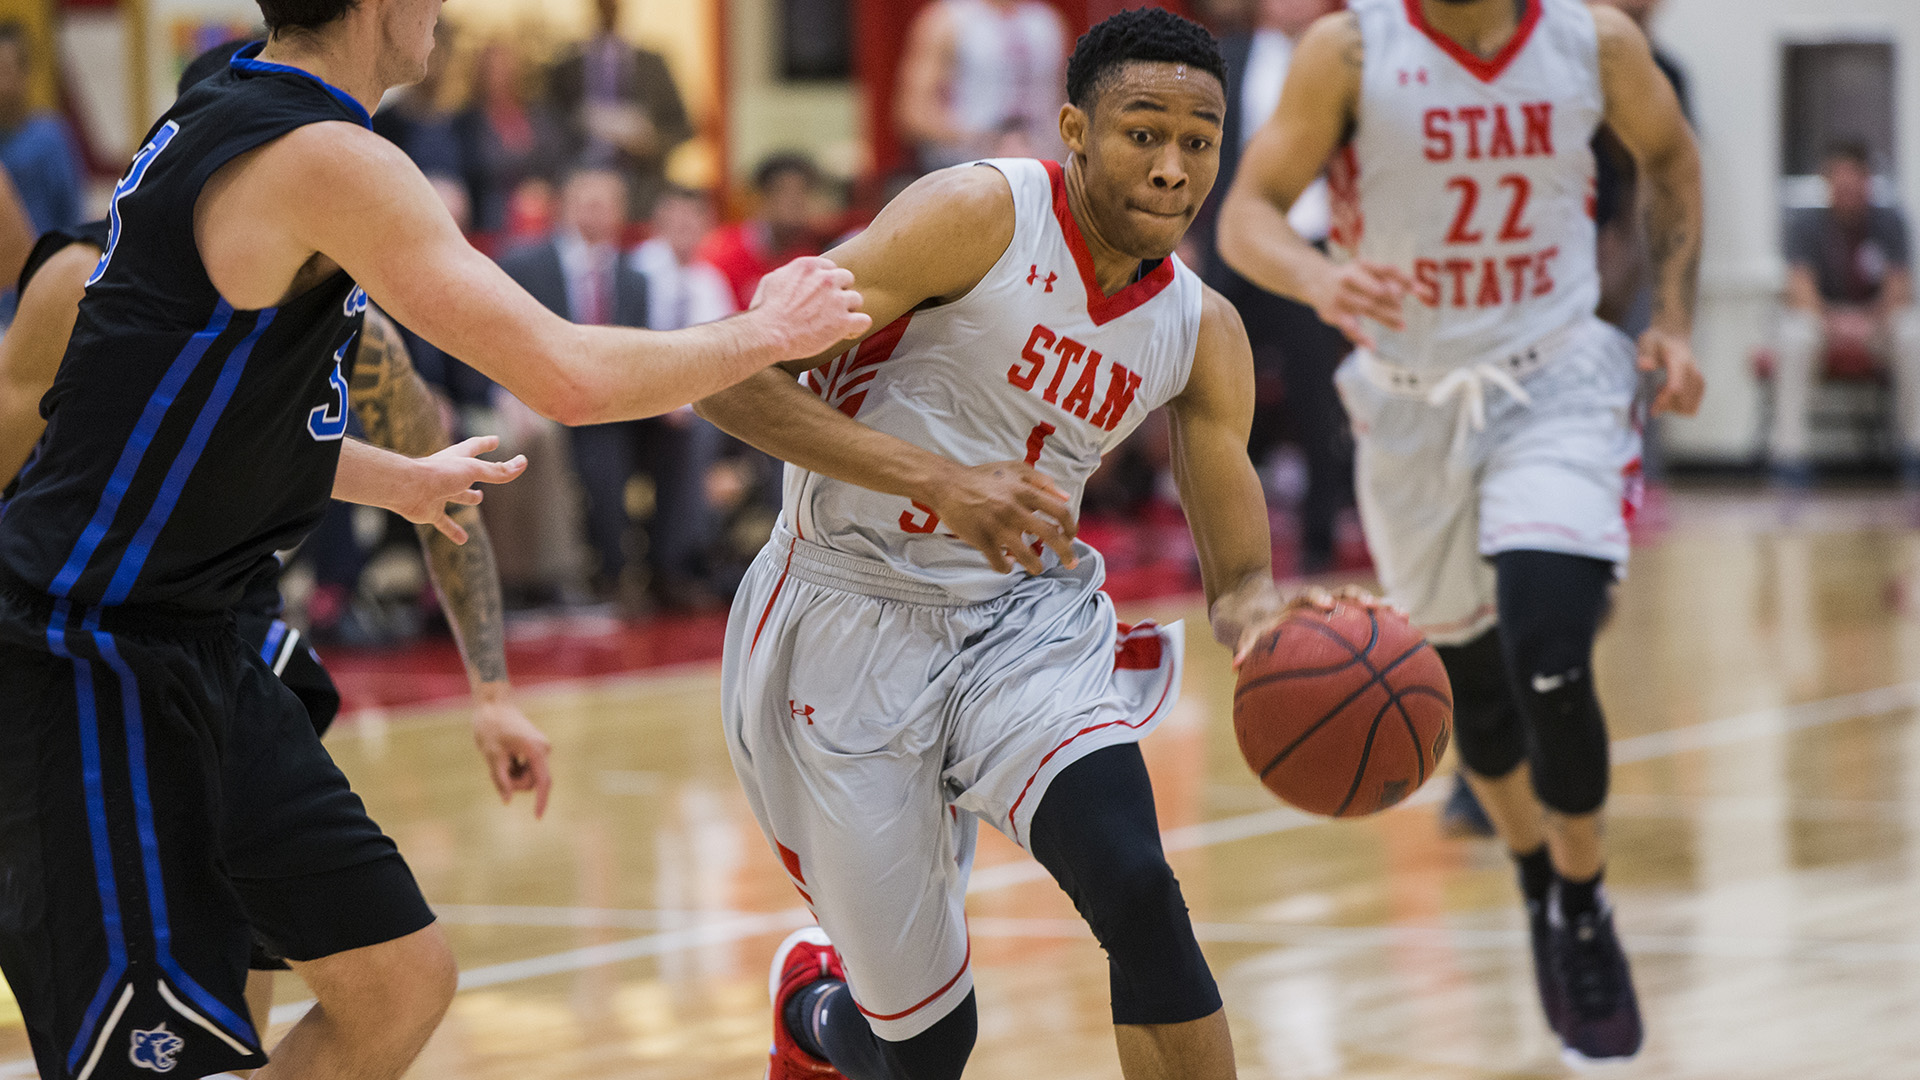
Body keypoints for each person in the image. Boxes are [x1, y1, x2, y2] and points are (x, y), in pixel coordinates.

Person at [0, 0, 867, 1073]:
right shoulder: (326, 156)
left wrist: (397, 480)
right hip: (94, 659)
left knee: (398, 980)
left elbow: (199, 416)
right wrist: (764, 332)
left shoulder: (229, 105)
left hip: (211, 643)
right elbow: (565, 375)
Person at [697, 11, 1378, 1079]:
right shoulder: (978, 214)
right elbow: (726, 374)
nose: (1174, 166)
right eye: (1142, 133)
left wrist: (1259, 614)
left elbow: (1238, 570)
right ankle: (816, 1017)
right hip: (845, 612)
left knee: (1139, 891)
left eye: (1199, 140)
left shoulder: (1203, 331)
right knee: (926, 1048)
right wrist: (935, 480)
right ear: (1073, 129)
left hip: (1024, 625)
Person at [1219, 0, 1704, 1063]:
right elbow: (1246, 211)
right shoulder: (1348, 50)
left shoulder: (1595, 43)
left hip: (1557, 377)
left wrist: (1669, 317)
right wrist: (1317, 276)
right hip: (1408, 401)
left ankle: (1584, 905)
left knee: (1550, 650)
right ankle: (1537, 875)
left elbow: (1670, 157)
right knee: (1472, 688)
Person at [0, 210, 551, 1035]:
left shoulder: (342, 320)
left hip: (231, 628)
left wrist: (493, 690)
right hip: (82, 639)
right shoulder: (82, 280)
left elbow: (444, 490)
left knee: (256, 977)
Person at [1192, 0, 1354, 575]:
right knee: (1216, 401)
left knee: (1317, 399)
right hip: (1237, 249)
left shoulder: (1349, 61)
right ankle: (1213, 543)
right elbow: (1199, 153)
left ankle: (1319, 539)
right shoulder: (1226, 60)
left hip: (1314, 252)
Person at [498, 165, 655, 604]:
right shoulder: (522, 261)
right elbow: (493, 334)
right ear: (565, 206)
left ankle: (615, 577)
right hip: (533, 395)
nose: (597, 210)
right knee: (532, 444)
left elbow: (640, 350)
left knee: (612, 452)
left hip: (605, 404)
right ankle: (534, 581)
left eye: (608, 202)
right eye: (588, 200)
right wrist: (506, 391)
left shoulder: (634, 277)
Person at [1773, 141, 1917, 483]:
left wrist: (1866, 321)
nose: (1847, 187)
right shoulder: (1805, 224)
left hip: (1876, 325)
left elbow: (1900, 290)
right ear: (1826, 181)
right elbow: (1800, 289)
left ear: (1868, 180)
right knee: (1793, 335)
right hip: (1823, 323)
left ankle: (1915, 451)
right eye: (1839, 179)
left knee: (1913, 332)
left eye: (1855, 178)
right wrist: (1836, 321)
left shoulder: (1890, 221)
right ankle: (1789, 458)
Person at [547, 0, 693, 215]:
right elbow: (549, 125)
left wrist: (650, 141)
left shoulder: (652, 65)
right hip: (581, 180)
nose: (608, 7)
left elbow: (683, 126)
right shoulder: (566, 67)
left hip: (642, 184)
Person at [894, 0, 1070, 172]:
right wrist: (984, 141)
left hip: (1040, 168)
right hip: (966, 171)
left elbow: (1065, 106)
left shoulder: (1047, 22)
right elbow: (913, 113)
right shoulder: (946, 21)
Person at [701, 152, 828, 312]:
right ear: (760, 198)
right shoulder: (723, 252)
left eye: (803, 192)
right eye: (784, 191)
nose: (795, 201)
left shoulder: (814, 255)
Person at [0, 22, 82, 236]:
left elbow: (72, 215)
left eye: (4, 70)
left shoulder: (50, 138)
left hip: (44, 260)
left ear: (24, 73)